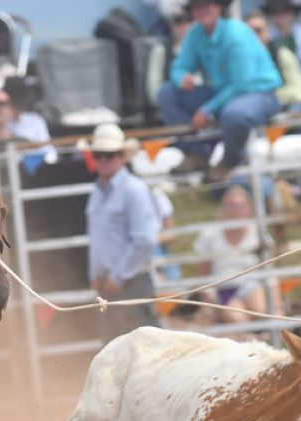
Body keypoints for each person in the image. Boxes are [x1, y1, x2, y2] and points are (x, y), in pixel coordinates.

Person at [158, 0, 282, 181]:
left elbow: (243, 84)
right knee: (167, 93)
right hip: (224, 94)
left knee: (234, 114)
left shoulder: (236, 33)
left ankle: (231, 159)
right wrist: (182, 78)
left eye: (207, 5)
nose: (202, 10)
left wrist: (207, 109)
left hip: (259, 93)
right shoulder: (195, 33)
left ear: (219, 7)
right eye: (198, 6)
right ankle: (196, 153)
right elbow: (179, 67)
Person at [79, 122, 161, 344]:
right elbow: (99, 239)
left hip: (130, 283)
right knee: (116, 352)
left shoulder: (134, 190)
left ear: (122, 156)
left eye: (109, 154)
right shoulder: (97, 192)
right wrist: (96, 275)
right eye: (99, 154)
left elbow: (145, 239)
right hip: (108, 285)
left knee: (143, 352)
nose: (103, 160)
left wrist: (118, 275)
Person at [192, 185, 280, 326]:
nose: (236, 210)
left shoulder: (259, 234)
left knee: (261, 309)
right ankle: (251, 335)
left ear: (249, 208)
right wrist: (207, 303)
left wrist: (277, 301)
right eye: (231, 205)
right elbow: (204, 273)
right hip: (225, 287)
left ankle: (255, 334)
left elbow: (270, 271)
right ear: (223, 207)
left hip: (252, 284)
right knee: (236, 318)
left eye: (241, 205)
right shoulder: (209, 235)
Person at [246, 12, 301, 110]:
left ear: (268, 31)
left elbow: (298, 93)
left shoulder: (282, 54)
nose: (254, 35)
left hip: (284, 104)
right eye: (249, 32)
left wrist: (271, 98)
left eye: (258, 30)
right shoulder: (242, 59)